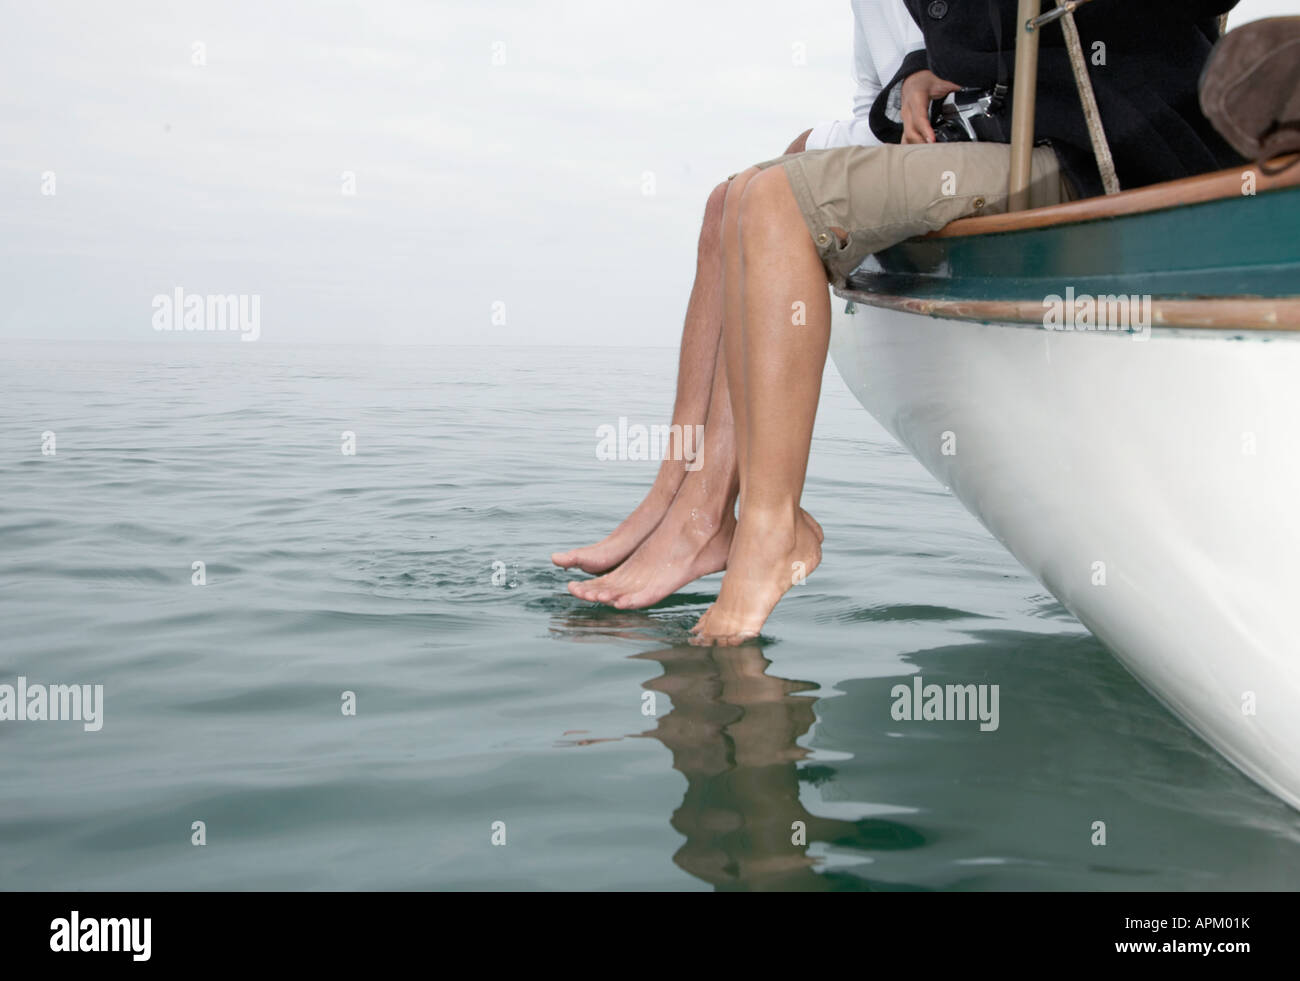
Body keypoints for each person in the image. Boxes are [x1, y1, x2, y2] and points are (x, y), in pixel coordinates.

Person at [689, 0, 1242, 643]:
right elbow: (976, 43)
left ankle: (769, 533)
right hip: (1026, 141)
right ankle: (725, 519)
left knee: (773, 199)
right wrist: (922, 75)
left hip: (1107, 156)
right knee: (752, 193)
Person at [552, 0, 924, 610]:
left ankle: (700, 519)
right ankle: (674, 492)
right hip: (894, 127)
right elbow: (871, 96)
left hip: (949, 136)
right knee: (724, 202)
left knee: (766, 201)